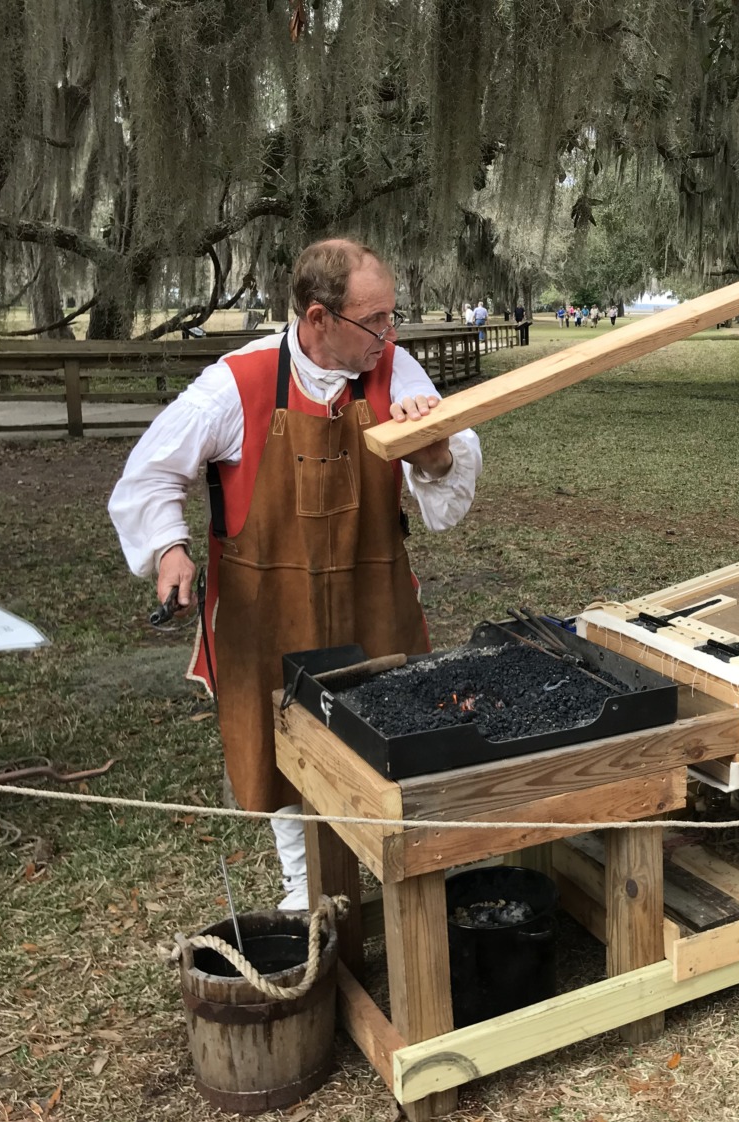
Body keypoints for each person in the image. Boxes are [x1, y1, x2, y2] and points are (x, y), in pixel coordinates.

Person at [108, 238, 482, 910]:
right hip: (267, 610)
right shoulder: (238, 382)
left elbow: (450, 494)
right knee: (281, 748)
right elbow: (150, 473)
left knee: (398, 733)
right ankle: (302, 889)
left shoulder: (395, 371)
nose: (388, 334)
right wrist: (169, 547)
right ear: (317, 319)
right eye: (375, 321)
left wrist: (435, 455)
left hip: (374, 598)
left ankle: (411, 875)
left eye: (394, 316)